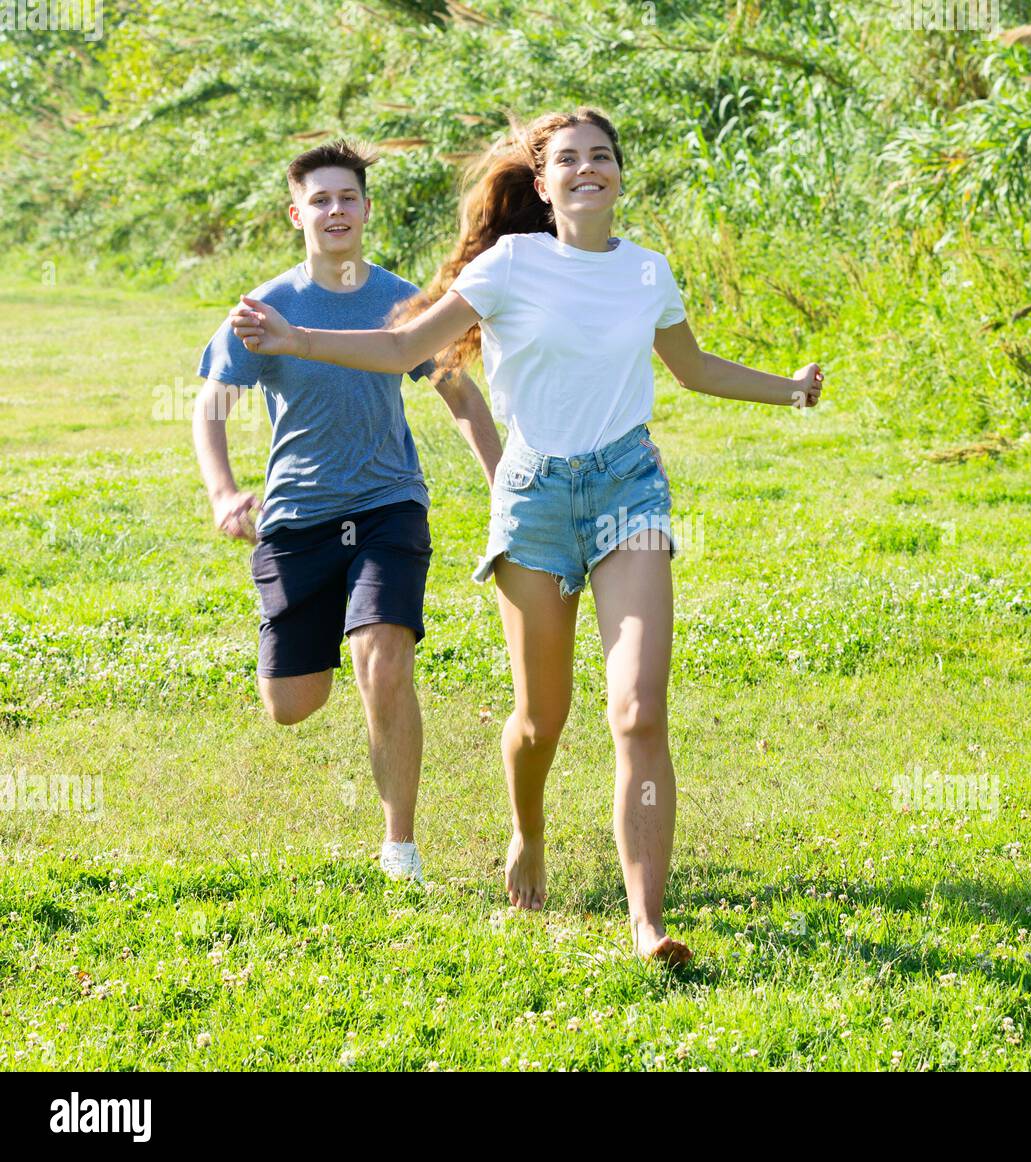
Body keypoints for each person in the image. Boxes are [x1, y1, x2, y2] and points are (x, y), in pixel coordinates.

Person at [227, 107, 824, 964]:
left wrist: (788, 389)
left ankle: (646, 920)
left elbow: (694, 370)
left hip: (628, 489)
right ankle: (528, 831)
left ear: (621, 174)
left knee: (638, 709)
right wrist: (297, 338)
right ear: (541, 187)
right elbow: (404, 350)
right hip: (534, 498)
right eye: (569, 160)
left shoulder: (648, 273)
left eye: (603, 157)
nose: (589, 169)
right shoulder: (509, 263)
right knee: (542, 721)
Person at [194, 138, 501, 885]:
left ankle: (400, 845)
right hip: (297, 515)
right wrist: (225, 492)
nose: (335, 211)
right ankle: (328, 621)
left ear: (366, 210)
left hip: (388, 502)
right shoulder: (266, 310)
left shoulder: (405, 305)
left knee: (385, 659)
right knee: (292, 704)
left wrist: (503, 484)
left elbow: (457, 393)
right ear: (296, 213)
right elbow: (212, 404)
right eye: (320, 200)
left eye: (347, 198)